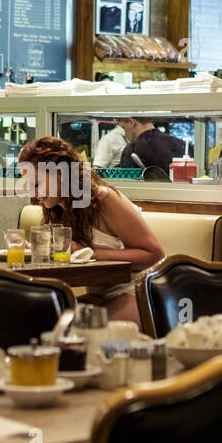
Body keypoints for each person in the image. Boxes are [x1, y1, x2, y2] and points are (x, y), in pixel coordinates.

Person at [19, 136, 164, 326]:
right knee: (34, 322)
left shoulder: (103, 198)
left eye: (36, 184)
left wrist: (88, 253)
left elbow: (155, 255)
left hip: (137, 292)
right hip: (99, 297)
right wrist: (38, 251)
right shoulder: (58, 209)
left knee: (70, 334)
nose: (32, 193)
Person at [116, 116, 184, 172]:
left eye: (124, 128)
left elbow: (126, 183)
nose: (125, 134)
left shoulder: (133, 149)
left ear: (132, 122)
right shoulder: (180, 144)